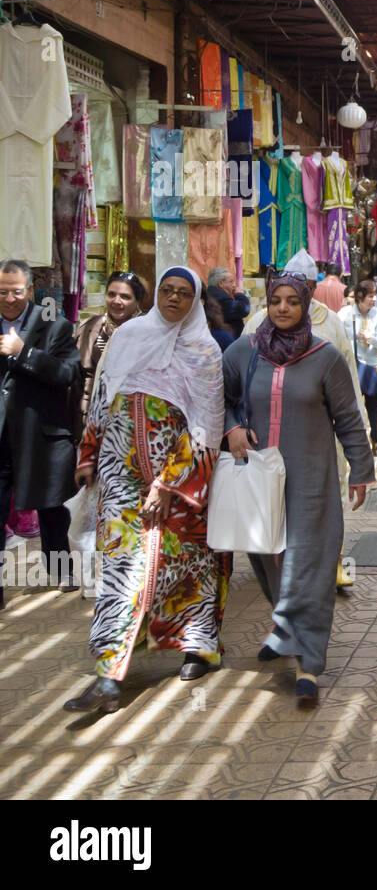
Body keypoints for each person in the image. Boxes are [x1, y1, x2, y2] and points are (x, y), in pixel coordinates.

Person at [64, 267, 230, 713]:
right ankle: (108, 677)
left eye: (183, 293)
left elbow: (206, 429)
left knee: (186, 566)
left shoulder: (204, 350)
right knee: (121, 571)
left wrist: (169, 482)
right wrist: (87, 456)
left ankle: (199, 646)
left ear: (195, 301)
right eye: (166, 291)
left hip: (176, 485)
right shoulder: (130, 335)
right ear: (155, 294)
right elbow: (103, 397)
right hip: (119, 472)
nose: (173, 299)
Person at [223, 271, 374, 708]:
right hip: (256, 479)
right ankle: (284, 626)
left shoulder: (325, 358)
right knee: (270, 560)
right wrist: (232, 427)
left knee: (309, 565)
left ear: (306, 305)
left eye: (293, 301)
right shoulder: (245, 351)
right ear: (267, 305)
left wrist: (361, 469)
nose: (284, 308)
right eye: (276, 301)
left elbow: (348, 417)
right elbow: (222, 396)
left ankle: (309, 664)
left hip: (311, 479)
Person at [245, 249, 370, 591]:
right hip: (267, 435)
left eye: (302, 290)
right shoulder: (257, 324)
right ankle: (279, 571)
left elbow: (348, 381)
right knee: (272, 502)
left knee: (326, 498)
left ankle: (332, 562)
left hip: (317, 434)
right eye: (279, 298)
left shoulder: (331, 323)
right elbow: (235, 381)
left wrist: (360, 431)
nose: (285, 307)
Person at [0, 259, 80, 606]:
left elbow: (66, 374)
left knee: (51, 510)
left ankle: (61, 570)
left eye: (16, 292)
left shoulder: (54, 325)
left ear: (30, 290)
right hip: (1, 437)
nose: (9, 299)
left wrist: (24, 353)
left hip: (39, 433)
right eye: (2, 292)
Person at [73, 269, 146, 440]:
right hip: (87, 420)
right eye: (111, 294)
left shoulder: (147, 332)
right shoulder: (88, 327)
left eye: (125, 297)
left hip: (129, 423)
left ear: (137, 301)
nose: (117, 301)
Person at [340, 279, 377, 451]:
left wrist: (369, 338)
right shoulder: (345, 314)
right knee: (352, 407)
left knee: (373, 408)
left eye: (375, 296)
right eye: (371, 296)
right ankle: (353, 442)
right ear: (360, 297)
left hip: (371, 365)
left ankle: (375, 438)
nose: (374, 300)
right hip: (352, 366)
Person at [207, 267, 250, 337]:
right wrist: (240, 295)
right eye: (231, 281)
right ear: (220, 283)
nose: (234, 285)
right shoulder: (221, 298)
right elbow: (244, 309)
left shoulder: (211, 294)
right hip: (226, 340)